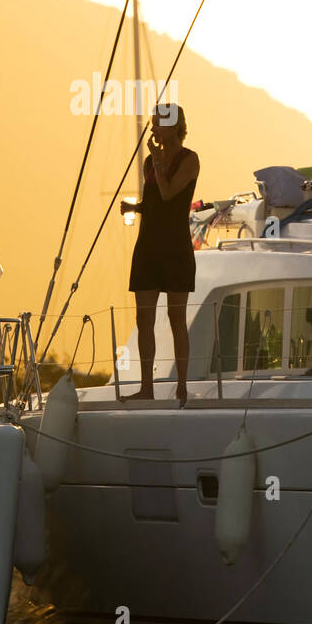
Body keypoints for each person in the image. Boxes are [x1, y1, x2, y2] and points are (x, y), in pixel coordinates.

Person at [120, 104, 199, 404]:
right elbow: (154, 203)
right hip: (149, 245)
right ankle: (146, 387)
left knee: (176, 316)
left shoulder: (189, 160)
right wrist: (135, 207)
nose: (151, 129)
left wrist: (158, 161)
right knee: (144, 319)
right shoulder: (149, 163)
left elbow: (169, 194)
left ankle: (181, 386)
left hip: (176, 246)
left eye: (156, 124)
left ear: (172, 127)